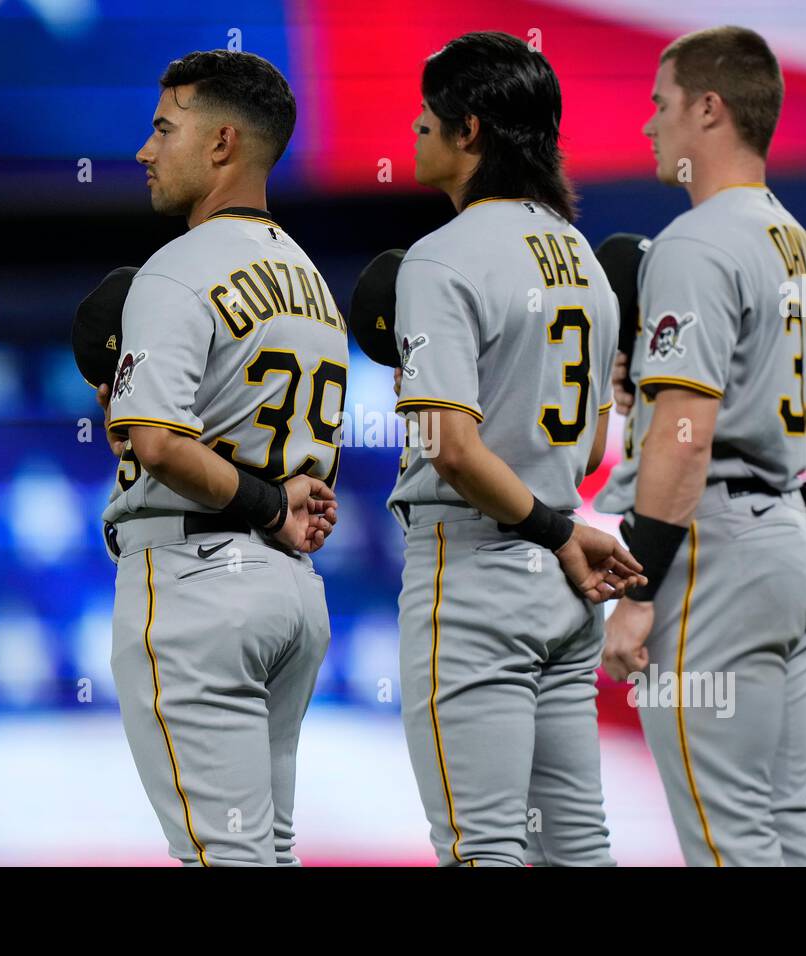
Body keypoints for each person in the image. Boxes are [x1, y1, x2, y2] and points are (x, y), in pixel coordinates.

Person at [387, 31, 645, 866]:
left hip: (480, 566)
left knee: (482, 849)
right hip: (564, 582)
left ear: (470, 130)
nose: (416, 130)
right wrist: (560, 528)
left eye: (428, 115)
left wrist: (553, 530)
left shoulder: (442, 256)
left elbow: (453, 452)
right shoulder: (582, 257)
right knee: (577, 848)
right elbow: (597, 438)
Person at [595, 26, 806, 866]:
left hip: (721, 550)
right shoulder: (794, 240)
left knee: (728, 842)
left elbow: (685, 436)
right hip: (796, 541)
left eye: (659, 105)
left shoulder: (697, 241)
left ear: (709, 108)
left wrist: (637, 587)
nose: (647, 126)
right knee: (783, 825)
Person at [95, 49, 347, 866]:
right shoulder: (311, 280)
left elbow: (161, 442)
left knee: (223, 861)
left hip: (198, 581)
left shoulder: (176, 268)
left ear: (223, 143)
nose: (145, 149)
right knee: (266, 852)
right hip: (288, 595)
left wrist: (268, 505)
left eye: (165, 127)